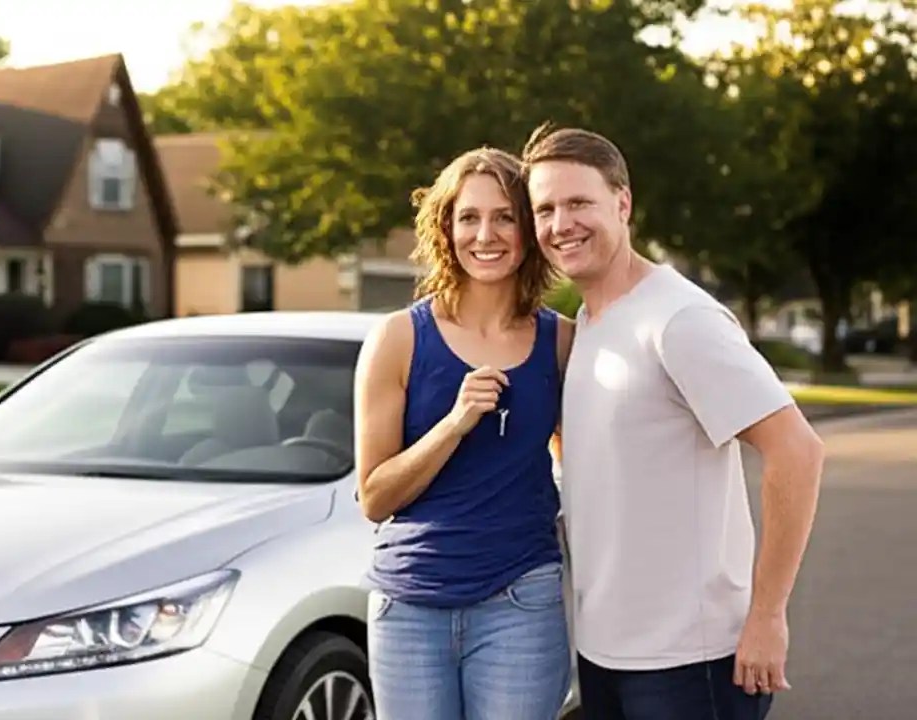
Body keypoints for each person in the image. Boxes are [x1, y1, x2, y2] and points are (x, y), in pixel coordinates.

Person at [521, 123, 825, 720]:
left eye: (580, 202)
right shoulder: (590, 323)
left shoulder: (679, 319)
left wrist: (767, 616)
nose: (562, 224)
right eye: (545, 209)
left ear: (623, 203)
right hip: (607, 652)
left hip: (692, 660)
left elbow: (797, 451)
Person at [353, 146, 575, 720]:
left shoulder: (561, 342)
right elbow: (375, 498)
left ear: (528, 229)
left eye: (505, 216)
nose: (487, 234)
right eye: (469, 217)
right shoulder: (398, 339)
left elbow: (585, 467)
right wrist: (454, 424)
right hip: (409, 608)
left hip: (520, 602)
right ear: (445, 228)